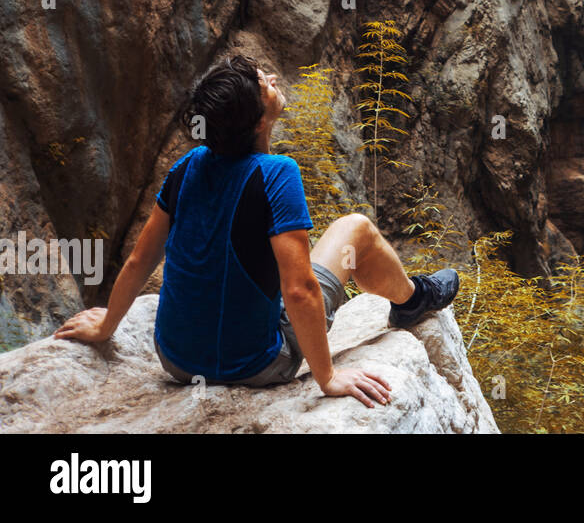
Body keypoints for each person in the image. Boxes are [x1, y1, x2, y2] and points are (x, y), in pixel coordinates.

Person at [55, 54, 459, 408]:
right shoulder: (276, 173)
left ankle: (411, 296)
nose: (272, 79)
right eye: (264, 83)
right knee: (356, 229)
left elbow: (142, 259)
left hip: (176, 361)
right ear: (258, 120)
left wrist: (108, 326)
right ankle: (412, 300)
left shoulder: (188, 165)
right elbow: (299, 290)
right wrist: (328, 378)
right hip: (257, 363)